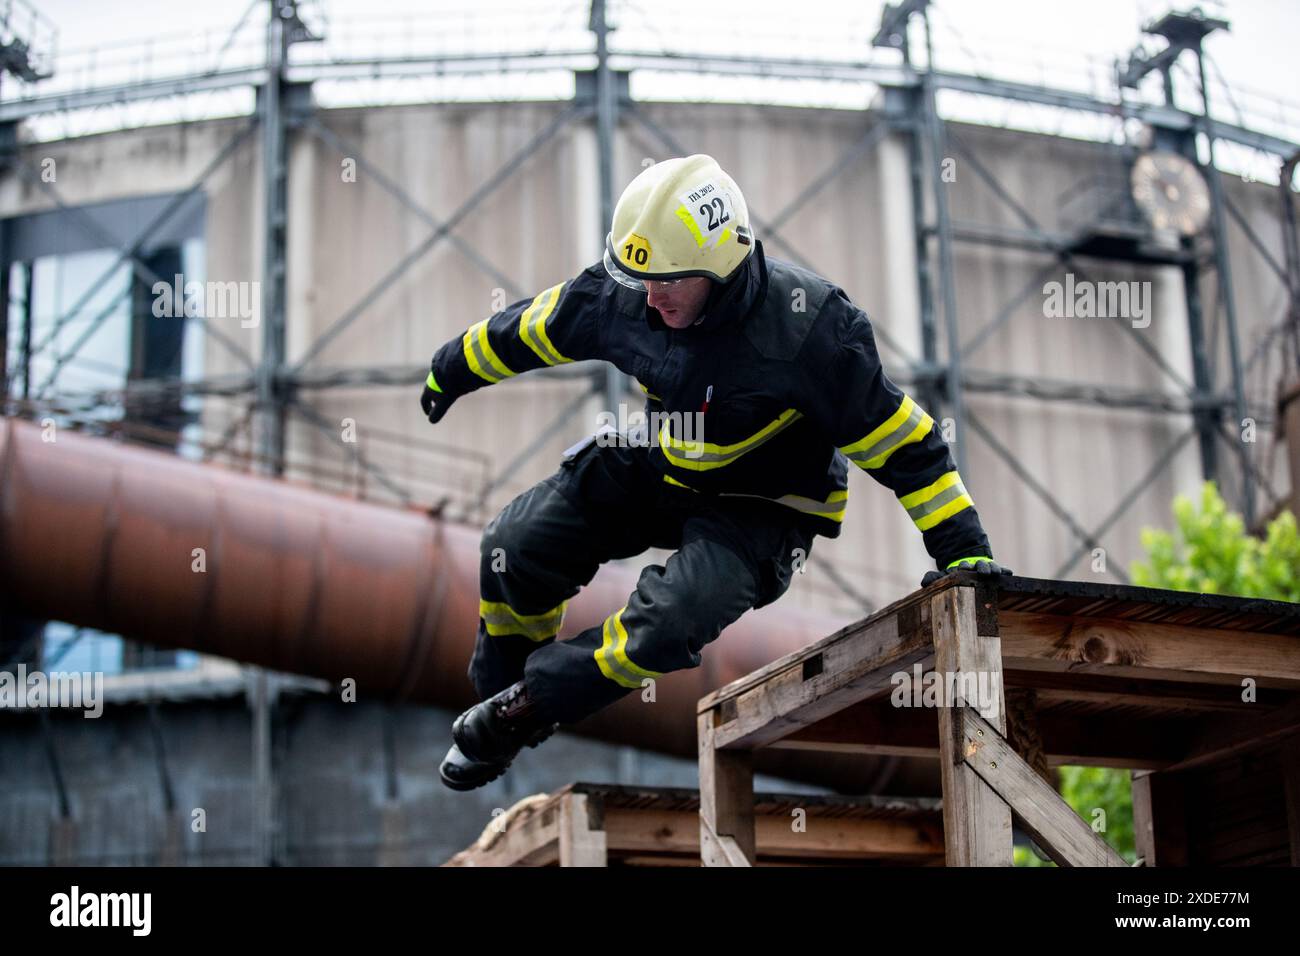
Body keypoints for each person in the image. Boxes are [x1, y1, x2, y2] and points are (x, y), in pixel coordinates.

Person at [420, 154, 1010, 790]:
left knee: (674, 619)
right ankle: (494, 700)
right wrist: (452, 368)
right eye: (642, 279)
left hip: (761, 506)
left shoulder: (811, 331)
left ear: (722, 266)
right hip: (666, 457)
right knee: (515, 543)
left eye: (671, 280)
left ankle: (523, 711)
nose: (653, 295)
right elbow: (534, 328)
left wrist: (964, 553)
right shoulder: (625, 294)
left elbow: (904, 446)